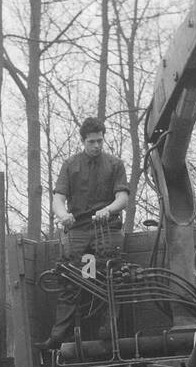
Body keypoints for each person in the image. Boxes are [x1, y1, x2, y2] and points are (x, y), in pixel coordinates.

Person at [35, 117, 130, 350]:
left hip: (105, 228)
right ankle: (58, 336)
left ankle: (109, 330)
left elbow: (123, 198)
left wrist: (108, 210)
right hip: (79, 230)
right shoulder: (70, 165)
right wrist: (62, 214)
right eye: (91, 141)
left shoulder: (115, 164)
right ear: (83, 141)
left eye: (100, 140)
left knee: (110, 273)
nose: (96, 145)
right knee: (72, 277)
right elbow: (58, 198)